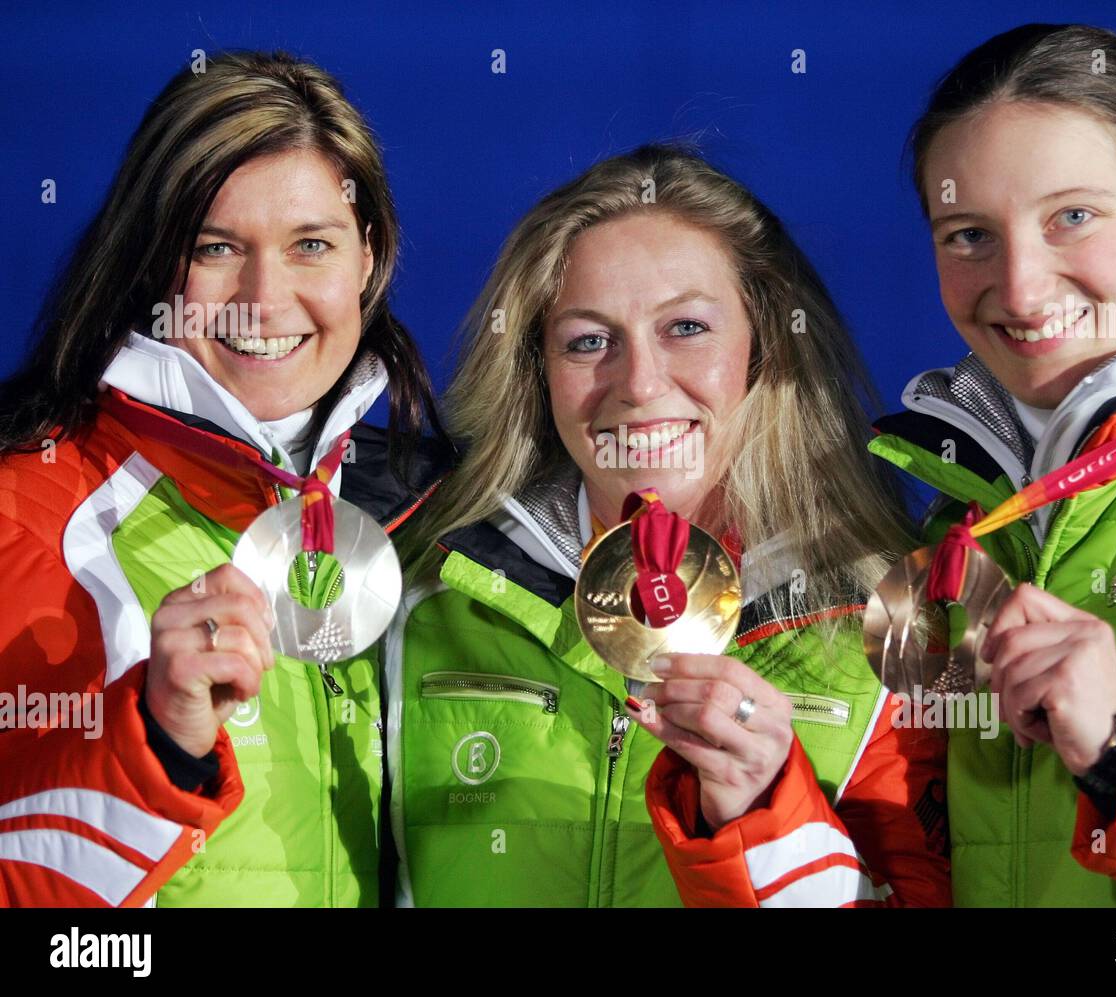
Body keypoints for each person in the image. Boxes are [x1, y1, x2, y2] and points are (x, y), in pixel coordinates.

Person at [667, 23, 1116, 907]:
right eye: (968, 235)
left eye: (1072, 217)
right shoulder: (958, 518)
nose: (1022, 286)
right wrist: (758, 809)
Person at [388, 145, 951, 907]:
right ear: (536, 370)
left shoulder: (900, 628)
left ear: (765, 348)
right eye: (589, 340)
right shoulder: (419, 589)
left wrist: (764, 815)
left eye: (686, 327)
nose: (641, 384)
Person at [0, 51, 450, 907]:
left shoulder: (441, 517)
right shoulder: (28, 509)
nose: (262, 297)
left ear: (369, 256)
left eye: (309, 245)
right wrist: (159, 745)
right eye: (215, 248)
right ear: (147, 265)